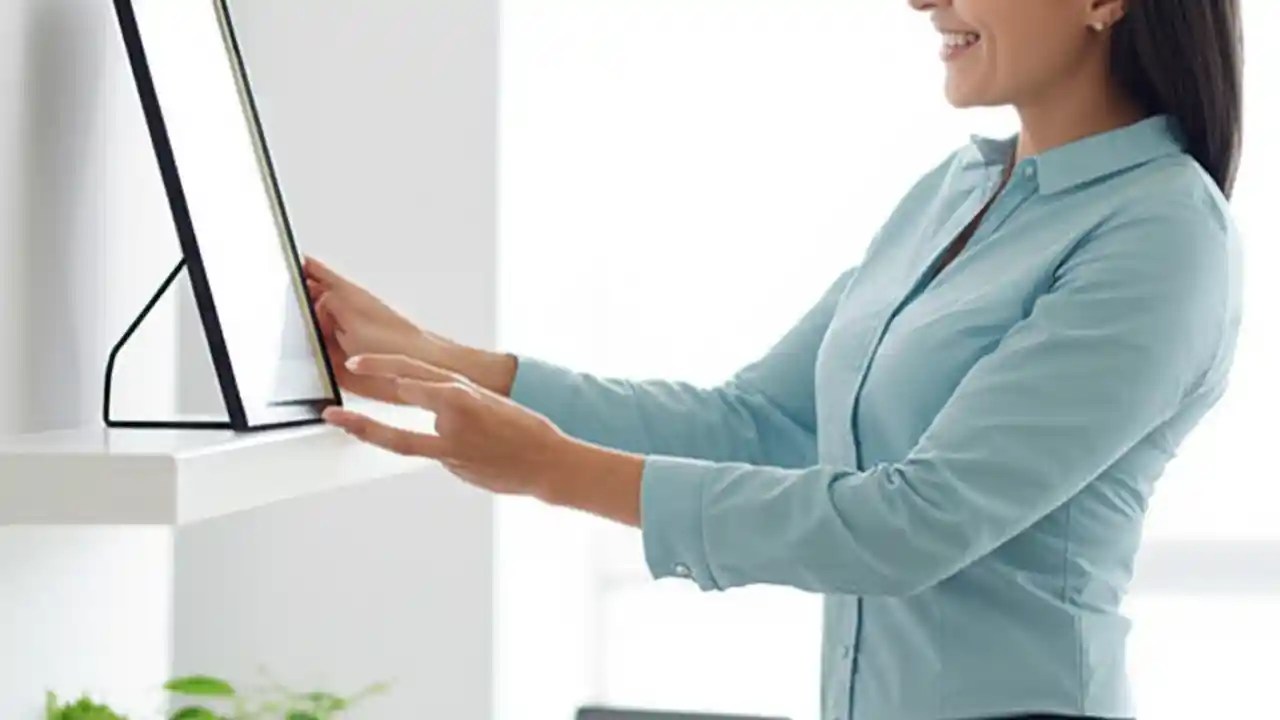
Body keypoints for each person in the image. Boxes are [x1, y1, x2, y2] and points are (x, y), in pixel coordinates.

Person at [306, 0, 1244, 718]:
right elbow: (764, 423)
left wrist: (553, 470)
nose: (921, 0)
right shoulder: (957, 190)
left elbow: (914, 523)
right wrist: (455, 364)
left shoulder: (1161, 233)